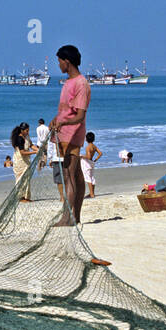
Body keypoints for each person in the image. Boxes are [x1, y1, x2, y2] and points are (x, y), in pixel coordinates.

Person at [48, 44, 90, 226]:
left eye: (59, 62)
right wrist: (55, 119)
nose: (58, 65)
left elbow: (80, 115)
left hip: (72, 134)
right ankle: (77, 217)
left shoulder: (81, 84)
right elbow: (65, 110)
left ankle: (67, 218)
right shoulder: (68, 83)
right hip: (63, 132)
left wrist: (63, 123)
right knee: (78, 175)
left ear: (67, 61)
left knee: (68, 175)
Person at [9, 123, 34, 201]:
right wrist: (34, 152)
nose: (28, 132)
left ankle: (26, 197)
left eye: (28, 130)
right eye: (27, 130)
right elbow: (22, 153)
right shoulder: (20, 138)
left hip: (26, 160)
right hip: (19, 160)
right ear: (22, 130)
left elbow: (31, 145)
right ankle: (20, 197)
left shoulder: (26, 136)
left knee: (27, 178)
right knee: (20, 178)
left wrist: (37, 149)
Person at [83, 132, 101, 197]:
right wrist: (95, 159)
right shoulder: (94, 146)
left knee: (88, 178)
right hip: (92, 163)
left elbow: (88, 157)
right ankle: (92, 192)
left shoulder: (88, 147)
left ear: (86, 139)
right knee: (91, 177)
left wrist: (81, 156)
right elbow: (100, 153)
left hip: (87, 163)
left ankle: (91, 194)